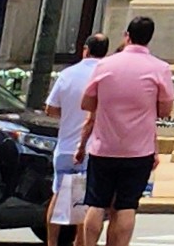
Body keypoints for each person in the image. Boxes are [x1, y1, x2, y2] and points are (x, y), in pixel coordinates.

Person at [75, 15, 174, 246]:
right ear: (149, 39)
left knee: (96, 204)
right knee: (127, 205)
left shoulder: (105, 65)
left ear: (127, 36)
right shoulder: (160, 69)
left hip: (104, 146)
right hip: (138, 150)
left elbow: (87, 103)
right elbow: (165, 110)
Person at [42, 33, 107, 246]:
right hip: (93, 148)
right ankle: (80, 242)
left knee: (58, 194)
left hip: (66, 145)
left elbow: (50, 108)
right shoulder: (106, 74)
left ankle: (52, 243)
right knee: (87, 201)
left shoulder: (67, 74)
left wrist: (69, 114)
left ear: (85, 50)